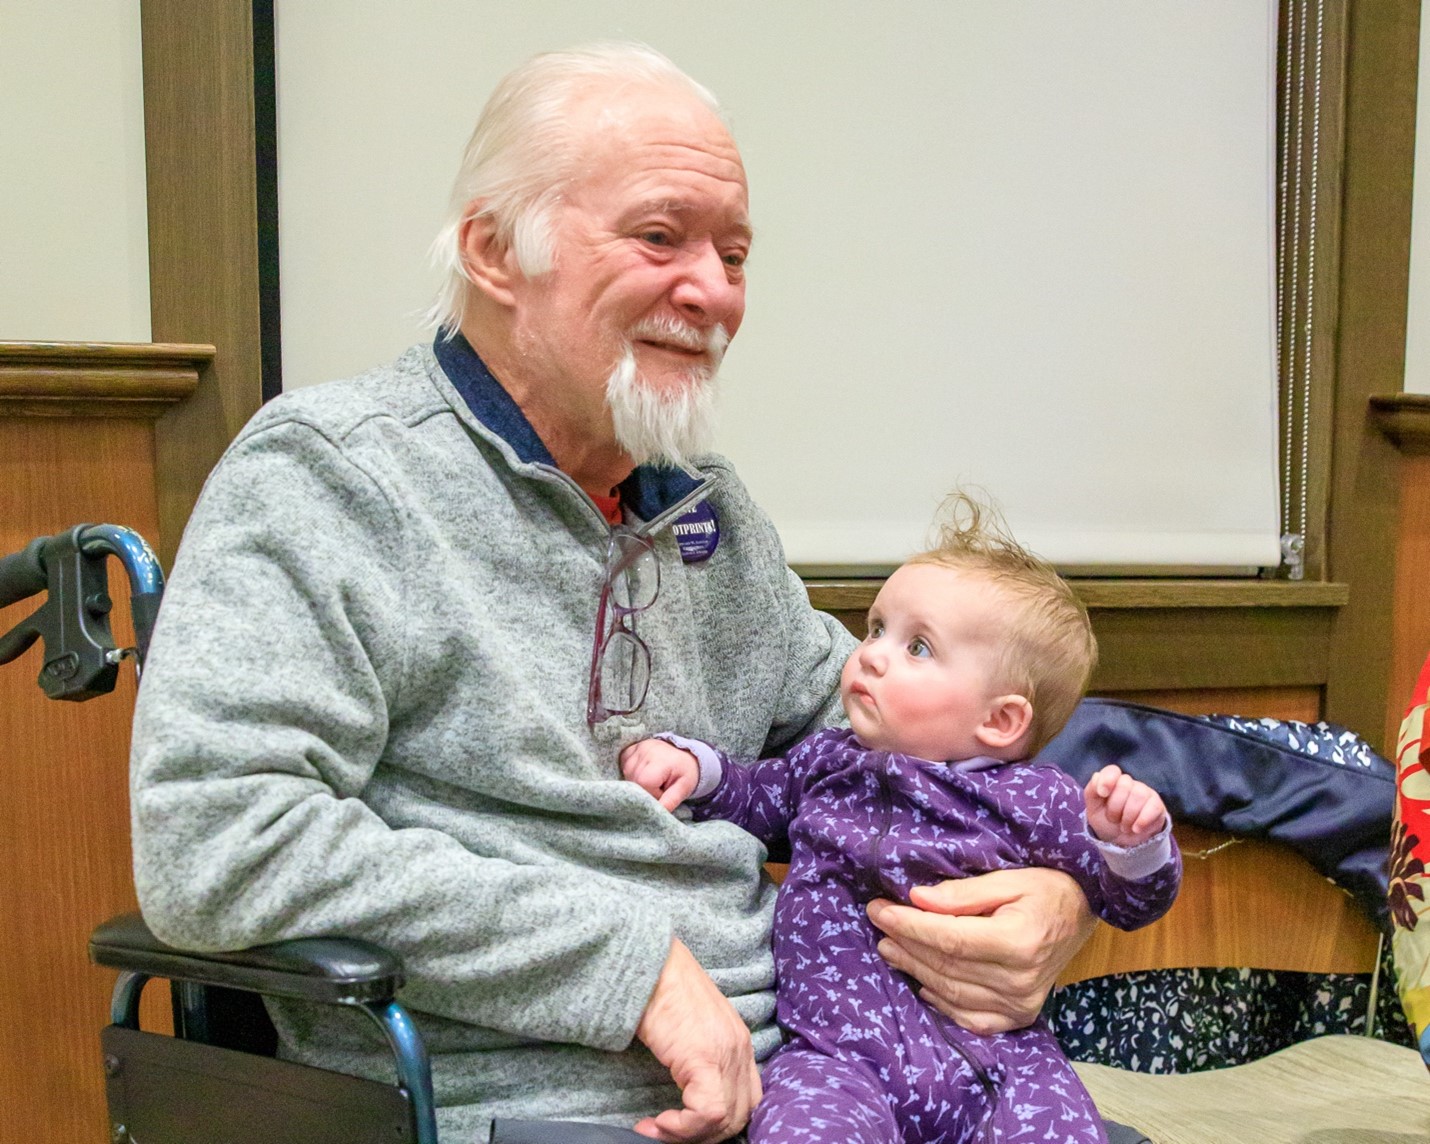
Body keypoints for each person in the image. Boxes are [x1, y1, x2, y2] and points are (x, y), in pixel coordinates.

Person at [129, 42, 1095, 1143]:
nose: (713, 292)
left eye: (733, 254)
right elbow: (215, 840)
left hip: (825, 1083)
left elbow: (912, 736)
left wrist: (1054, 892)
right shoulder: (331, 476)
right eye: (658, 237)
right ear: (496, 251)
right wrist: (628, 968)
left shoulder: (703, 509)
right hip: (538, 1105)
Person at [621, 496, 1181, 1143]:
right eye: (876, 628)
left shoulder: (1041, 800)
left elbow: (1128, 900)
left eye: (917, 646)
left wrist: (1132, 845)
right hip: (836, 1056)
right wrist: (701, 769)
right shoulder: (830, 761)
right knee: (801, 1129)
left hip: (1000, 1062)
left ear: (999, 721)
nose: (872, 655)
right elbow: (760, 794)